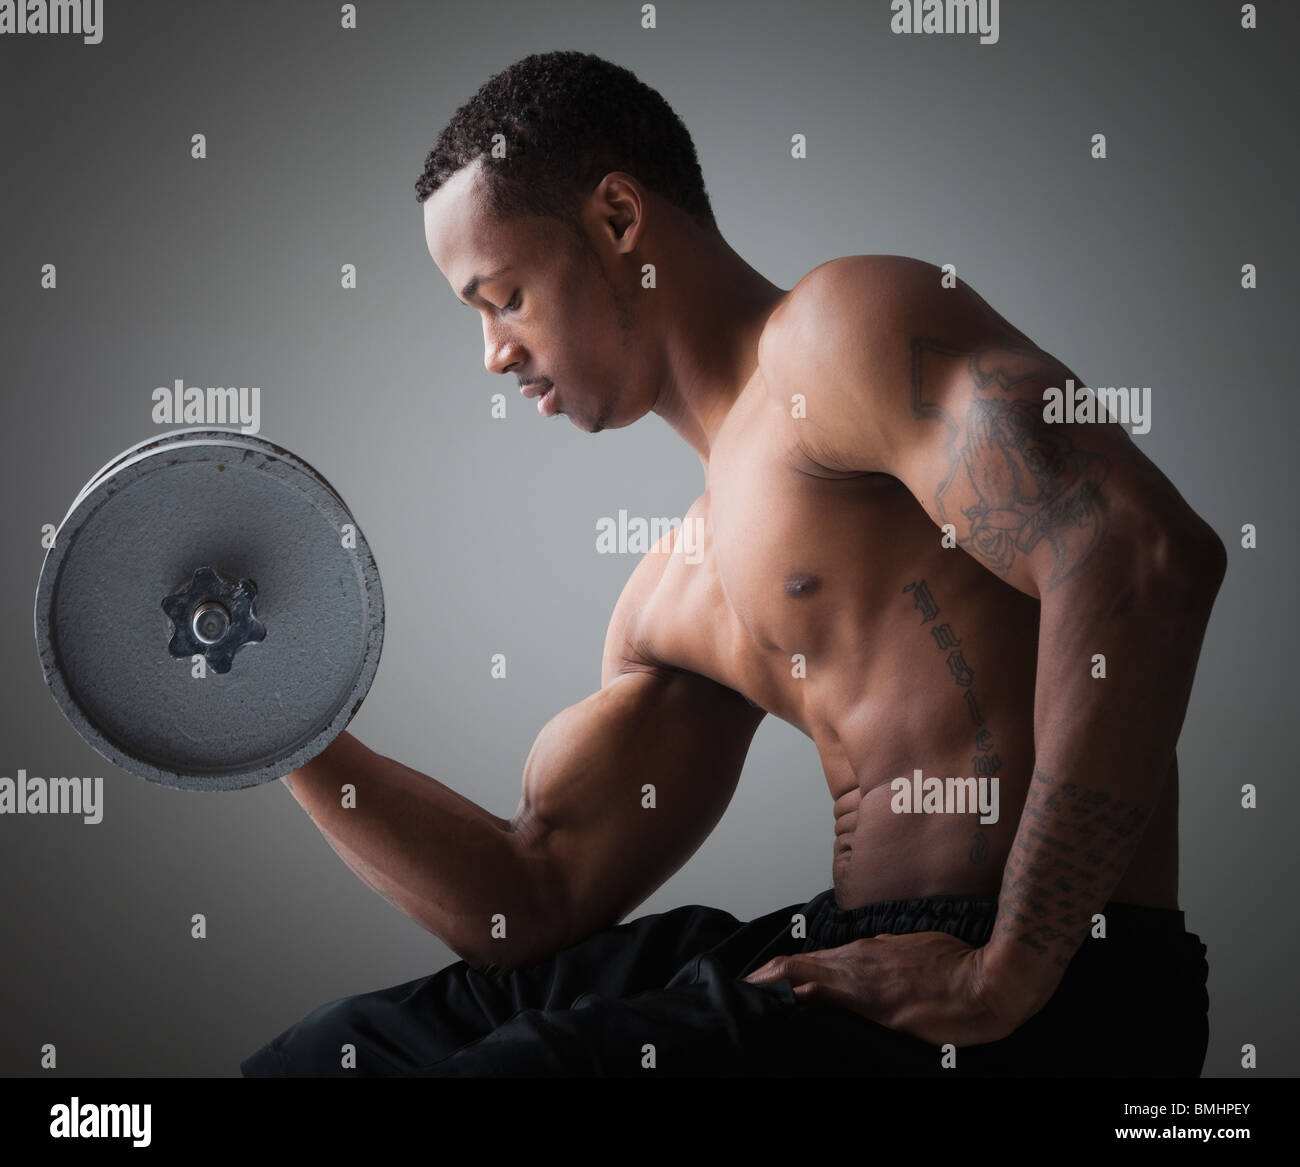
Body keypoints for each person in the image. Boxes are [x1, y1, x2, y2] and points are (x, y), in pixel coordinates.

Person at [241, 50, 1223, 1078]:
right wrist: (283, 722)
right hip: (862, 948)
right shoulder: (679, 588)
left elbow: (1140, 555)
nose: (492, 352)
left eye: (504, 296)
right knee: (327, 1060)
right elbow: (528, 897)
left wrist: (1008, 968)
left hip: (1062, 983)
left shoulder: (840, 334)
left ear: (618, 221)